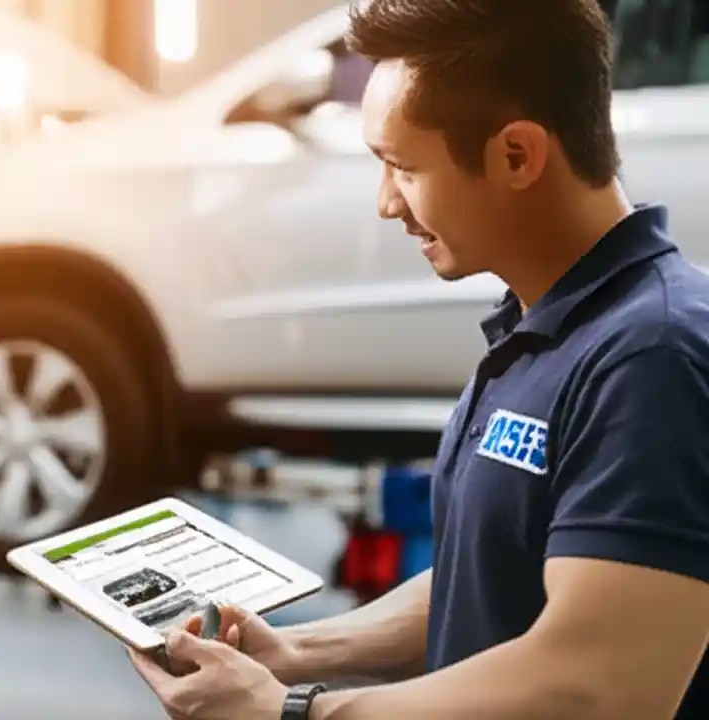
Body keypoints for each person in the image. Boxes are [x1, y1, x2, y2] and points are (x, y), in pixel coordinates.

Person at [129, 0, 709, 718]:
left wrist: (295, 711)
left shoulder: (652, 357)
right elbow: (490, 573)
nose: (385, 203)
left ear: (517, 154)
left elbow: (597, 682)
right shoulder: (543, 333)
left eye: (402, 167)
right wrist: (296, 652)